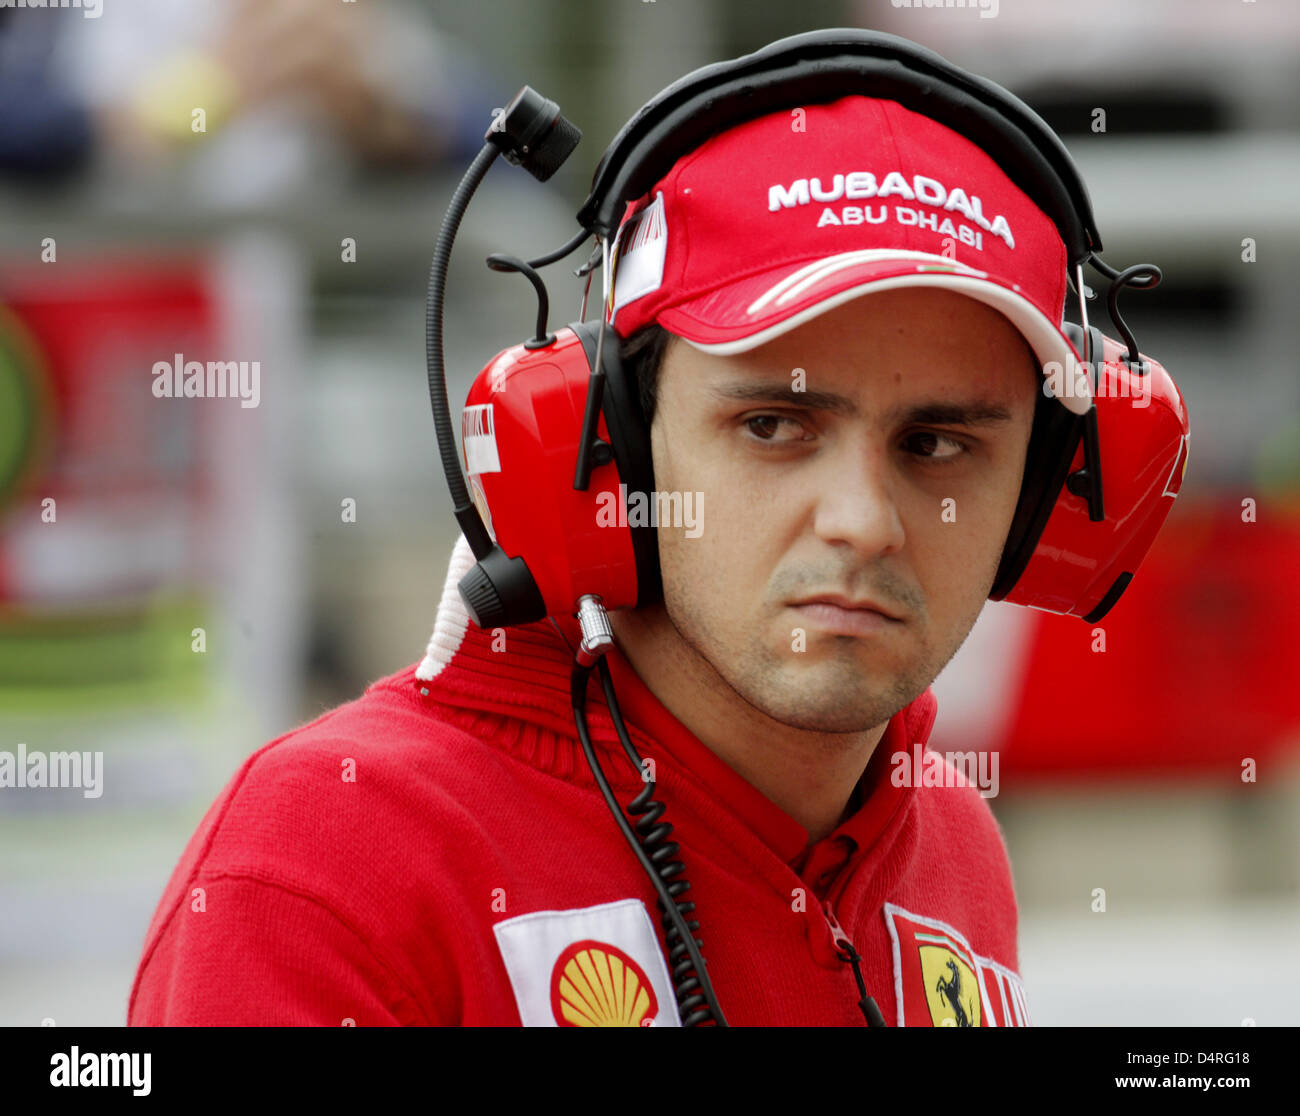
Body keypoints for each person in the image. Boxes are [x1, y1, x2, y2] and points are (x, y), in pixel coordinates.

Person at [127, 35, 1084, 1028]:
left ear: (1042, 496)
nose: (861, 522)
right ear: (607, 444)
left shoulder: (950, 841)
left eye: (936, 444)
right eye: (772, 426)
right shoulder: (323, 861)